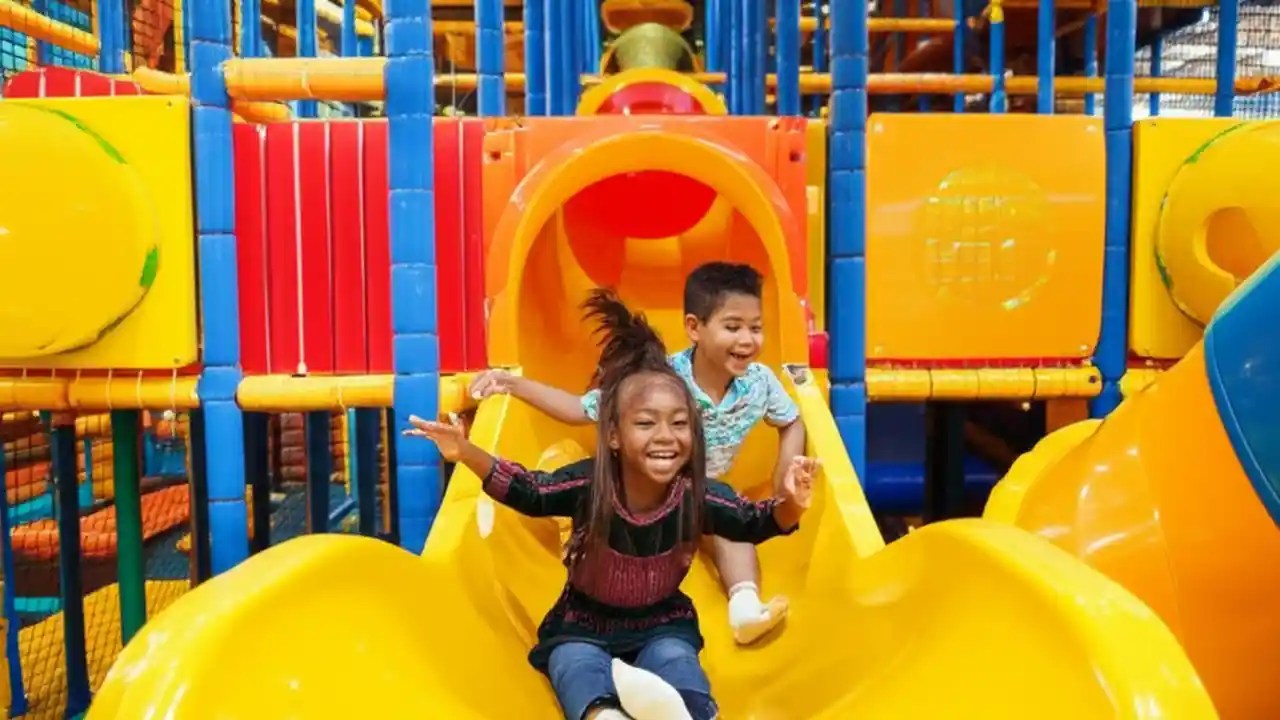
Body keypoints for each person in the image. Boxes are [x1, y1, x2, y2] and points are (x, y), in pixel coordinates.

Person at [407, 289, 816, 720]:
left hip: (661, 623)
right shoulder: (590, 482)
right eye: (645, 424)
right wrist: (464, 452)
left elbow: (758, 523)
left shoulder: (696, 494)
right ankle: (605, 714)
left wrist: (794, 502)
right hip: (583, 624)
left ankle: (687, 711)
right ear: (614, 436)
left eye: (679, 424)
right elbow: (528, 490)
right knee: (575, 668)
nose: (665, 436)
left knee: (680, 664)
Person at [468, 262, 806, 645]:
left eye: (756, 328)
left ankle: (744, 609)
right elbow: (579, 409)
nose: (747, 339)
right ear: (695, 328)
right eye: (733, 327)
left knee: (731, 520)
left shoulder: (759, 383)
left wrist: (786, 468)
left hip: (693, 494)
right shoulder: (660, 380)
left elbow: (792, 421)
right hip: (639, 495)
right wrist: (512, 382)